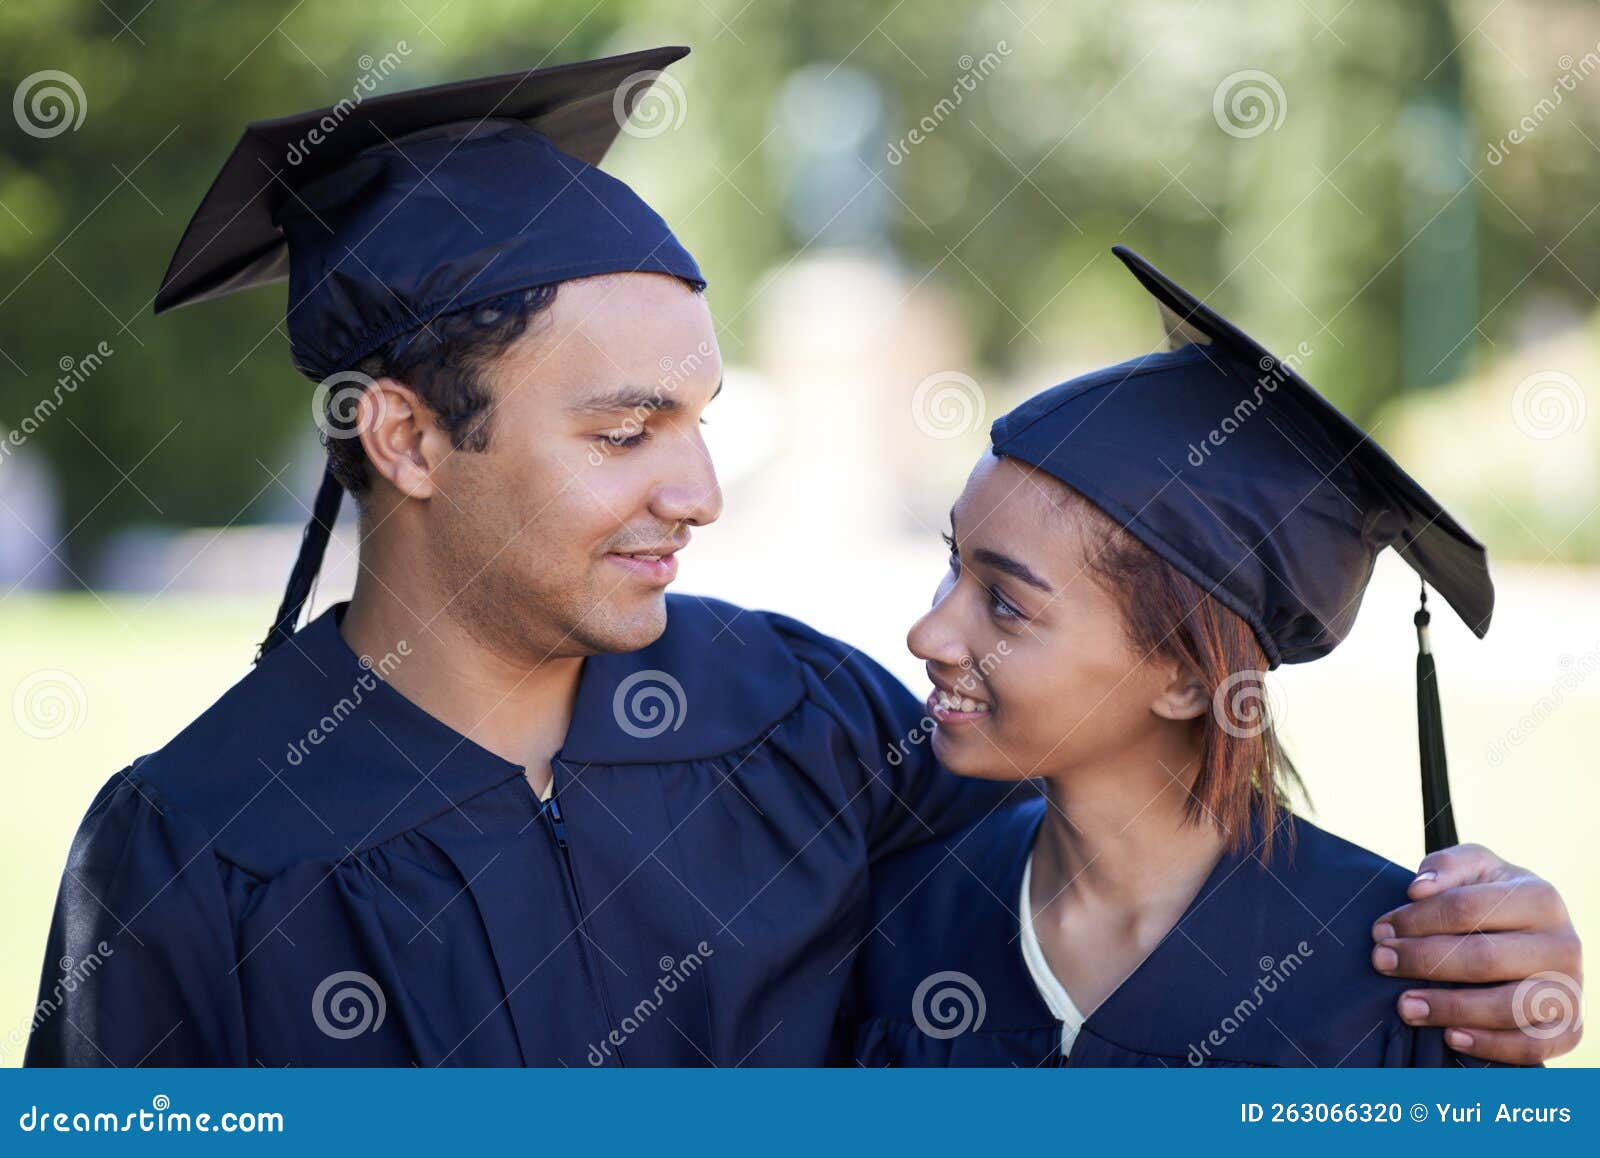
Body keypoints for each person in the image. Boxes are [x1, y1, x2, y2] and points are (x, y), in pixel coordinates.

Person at [25, 55, 1581, 1067]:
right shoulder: (193, 849)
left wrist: (1472, 949)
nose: (698, 489)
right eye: (626, 432)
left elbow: (1134, 840)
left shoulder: (808, 725)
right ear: (409, 440)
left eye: (701, 418)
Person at [840, 247, 1582, 1066]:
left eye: (1006, 603)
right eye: (954, 562)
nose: (929, 635)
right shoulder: (905, 920)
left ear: (1192, 679)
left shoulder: (1397, 992)